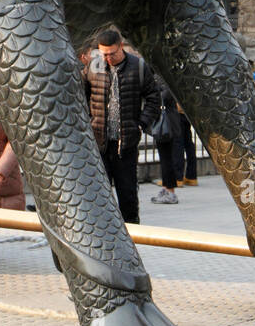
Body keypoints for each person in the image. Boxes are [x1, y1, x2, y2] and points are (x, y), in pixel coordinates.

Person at [84, 26, 160, 224]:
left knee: (127, 195)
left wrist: (141, 125)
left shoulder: (139, 66)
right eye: (103, 54)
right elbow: (81, 96)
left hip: (125, 143)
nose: (107, 58)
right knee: (99, 196)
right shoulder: (94, 66)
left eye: (111, 53)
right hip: (99, 142)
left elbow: (153, 98)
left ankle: (133, 234)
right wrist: (88, 122)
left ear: (121, 47)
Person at [151, 80, 182, 205]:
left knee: (167, 158)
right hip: (167, 122)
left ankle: (170, 190)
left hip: (168, 123)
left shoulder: (165, 79)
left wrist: (155, 88)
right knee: (165, 158)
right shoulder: (160, 77)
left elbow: (166, 95)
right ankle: (166, 188)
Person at [173, 105, 199, 186]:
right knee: (188, 143)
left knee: (177, 145)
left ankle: (177, 178)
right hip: (187, 112)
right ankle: (191, 177)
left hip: (177, 112)